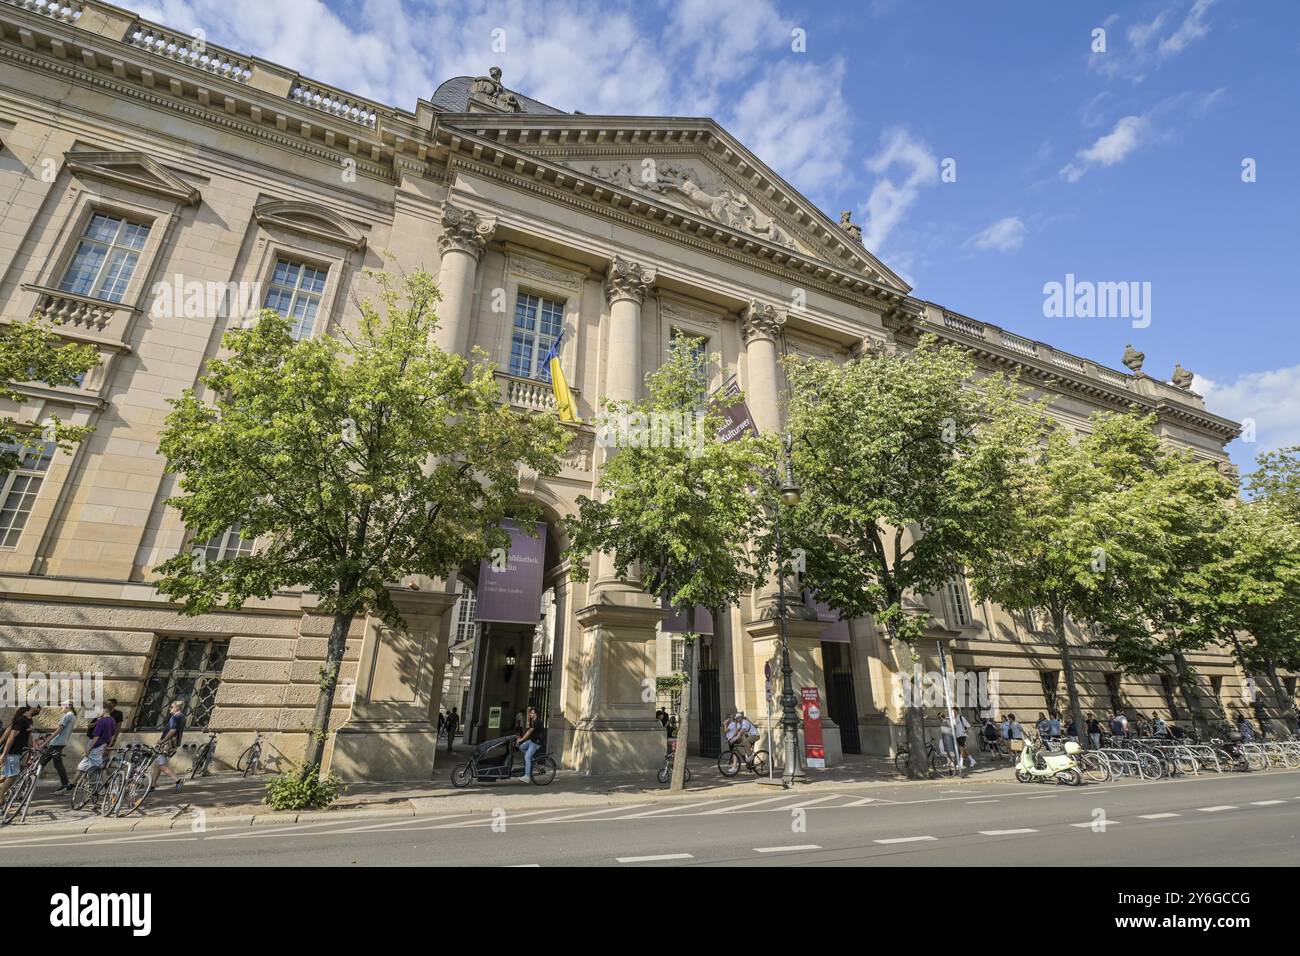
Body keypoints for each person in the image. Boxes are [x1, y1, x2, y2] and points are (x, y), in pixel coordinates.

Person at [72, 704, 117, 789]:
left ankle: (107, 786)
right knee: (83, 765)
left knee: (100, 766)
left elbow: (96, 736)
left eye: (100, 709)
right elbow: (113, 734)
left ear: (104, 709)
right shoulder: (112, 720)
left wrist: (89, 748)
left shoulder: (101, 721)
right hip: (103, 745)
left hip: (97, 745)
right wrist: (109, 745)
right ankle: (71, 784)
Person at [0, 705, 37, 803]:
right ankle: (1, 796)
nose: (39, 710)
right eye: (39, 707)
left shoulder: (29, 721)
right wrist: (4, 754)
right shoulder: (21, 720)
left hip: (18, 752)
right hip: (12, 752)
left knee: (5, 776)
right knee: (13, 775)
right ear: (32, 707)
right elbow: (10, 738)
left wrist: (32, 748)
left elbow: (29, 736)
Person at [40, 700, 77, 792]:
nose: (61, 708)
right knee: (58, 764)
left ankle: (26, 785)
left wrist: (45, 743)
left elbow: (58, 731)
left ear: (68, 706)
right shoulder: (73, 716)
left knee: (41, 763)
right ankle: (65, 784)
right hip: (62, 743)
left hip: (56, 743)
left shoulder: (67, 716)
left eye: (62, 706)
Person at [151, 701, 186, 791]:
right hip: (175, 743)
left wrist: (163, 740)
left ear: (177, 708)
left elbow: (172, 730)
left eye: (171, 707)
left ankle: (178, 781)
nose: (170, 708)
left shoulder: (175, 717)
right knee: (157, 764)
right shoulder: (182, 717)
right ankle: (152, 785)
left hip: (168, 744)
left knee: (161, 765)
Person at [515, 706, 544, 783]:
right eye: (530, 712)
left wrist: (521, 739)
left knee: (527, 757)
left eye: (532, 713)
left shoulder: (537, 721)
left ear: (536, 714)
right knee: (521, 747)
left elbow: (529, 732)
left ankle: (527, 776)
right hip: (531, 741)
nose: (530, 714)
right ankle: (532, 758)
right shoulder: (533, 721)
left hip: (535, 743)